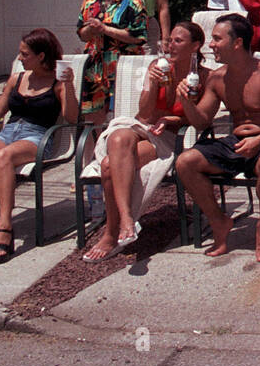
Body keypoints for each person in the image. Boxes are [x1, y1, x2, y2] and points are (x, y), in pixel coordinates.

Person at [174, 13, 260, 262]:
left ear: (237, 43)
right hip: (237, 143)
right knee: (185, 162)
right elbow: (202, 121)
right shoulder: (217, 78)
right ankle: (219, 221)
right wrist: (185, 102)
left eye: (216, 39)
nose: (210, 45)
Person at [83, 21, 210, 261]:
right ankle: (127, 220)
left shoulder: (204, 77)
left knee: (110, 165)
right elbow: (142, 114)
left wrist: (170, 119)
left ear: (196, 46)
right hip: (142, 127)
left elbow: (200, 119)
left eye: (178, 41)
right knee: (120, 135)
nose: (171, 45)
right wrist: (152, 84)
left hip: (169, 136)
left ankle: (111, 232)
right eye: (170, 40)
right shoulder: (158, 66)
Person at [0, 29, 77, 264]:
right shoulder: (17, 78)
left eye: (25, 54)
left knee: (4, 156)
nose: (19, 58)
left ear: (41, 56)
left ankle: (4, 228)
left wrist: (69, 85)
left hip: (37, 137)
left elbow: (72, 118)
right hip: (9, 132)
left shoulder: (57, 82)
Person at [77, 0, 147, 122]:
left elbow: (138, 37)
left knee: (123, 117)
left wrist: (105, 29)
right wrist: (90, 30)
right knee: (93, 120)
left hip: (123, 67)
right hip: (95, 68)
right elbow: (81, 33)